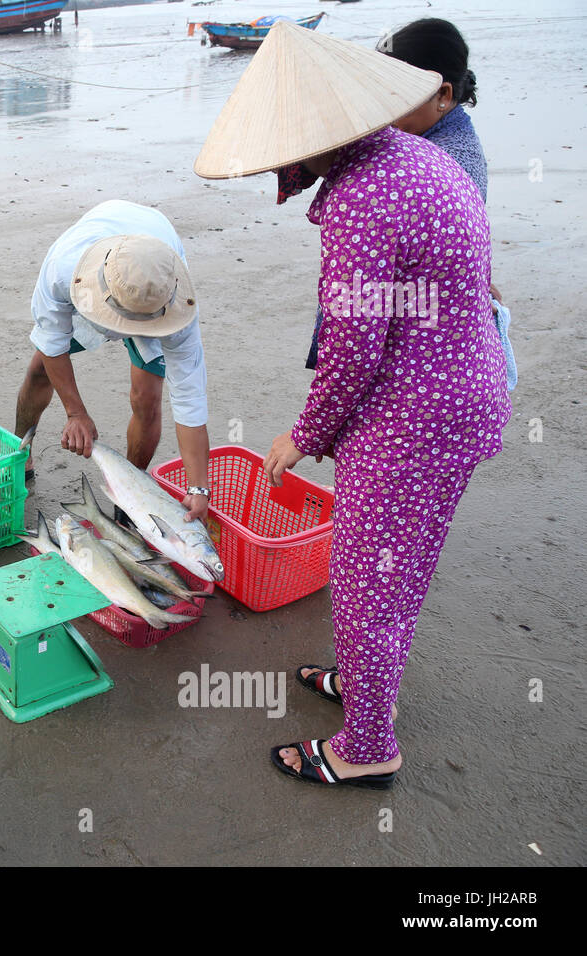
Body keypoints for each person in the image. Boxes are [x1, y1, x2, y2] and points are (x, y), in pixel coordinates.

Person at [195, 21, 511, 787]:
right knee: (400, 572)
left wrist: (301, 437)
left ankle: (367, 749)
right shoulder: (414, 155)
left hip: (417, 416)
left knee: (367, 583)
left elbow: (353, 349)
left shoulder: (364, 200)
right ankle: (369, 692)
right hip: (465, 395)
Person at [296, 17, 516, 390]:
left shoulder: (450, 162)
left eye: (396, 96)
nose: (383, 111)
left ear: (443, 95)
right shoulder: (418, 140)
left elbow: (373, 306)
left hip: (413, 351)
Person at [13, 200, 211, 523]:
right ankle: (20, 454)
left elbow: (190, 398)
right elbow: (52, 346)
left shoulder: (175, 303)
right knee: (39, 371)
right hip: (105, 280)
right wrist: (75, 412)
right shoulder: (62, 269)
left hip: (152, 289)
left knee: (146, 399)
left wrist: (199, 488)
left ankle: (127, 492)